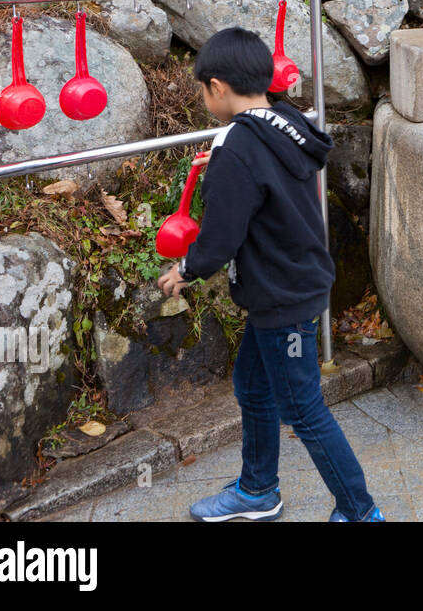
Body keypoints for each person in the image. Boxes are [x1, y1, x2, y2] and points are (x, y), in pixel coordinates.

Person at [157, 27, 384, 521]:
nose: (203, 97)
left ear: (218, 86)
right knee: (253, 387)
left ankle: (360, 511)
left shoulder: (237, 148)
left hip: (283, 299)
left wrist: (186, 270)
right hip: (288, 286)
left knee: (303, 409)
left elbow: (220, 237)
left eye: (202, 89)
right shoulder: (286, 121)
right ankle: (258, 490)